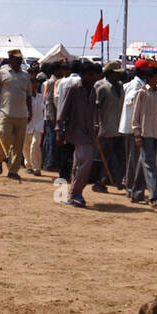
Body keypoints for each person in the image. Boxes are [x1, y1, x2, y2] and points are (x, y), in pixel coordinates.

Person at [59, 62, 104, 207]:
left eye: (94, 75)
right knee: (85, 162)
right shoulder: (73, 89)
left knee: (79, 164)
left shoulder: (93, 90)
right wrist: (59, 131)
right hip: (76, 131)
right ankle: (75, 193)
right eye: (90, 75)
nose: (92, 78)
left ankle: (73, 194)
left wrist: (97, 125)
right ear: (83, 75)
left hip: (89, 132)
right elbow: (63, 111)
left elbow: (95, 111)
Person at [129, 64, 157, 206]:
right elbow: (136, 115)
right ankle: (154, 196)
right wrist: (137, 133)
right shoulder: (142, 93)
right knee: (150, 164)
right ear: (150, 78)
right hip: (145, 134)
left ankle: (136, 193)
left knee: (144, 163)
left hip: (155, 134)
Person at [0, 50, 33, 180]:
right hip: (5, 113)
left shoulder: (25, 76)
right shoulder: (1, 73)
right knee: (5, 137)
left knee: (18, 144)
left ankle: (13, 170)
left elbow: (29, 96)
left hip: (22, 115)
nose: (19, 62)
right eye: (16, 59)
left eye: (20, 60)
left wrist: (30, 112)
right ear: (10, 59)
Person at [94, 61, 127, 191]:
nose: (118, 76)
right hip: (105, 128)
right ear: (109, 73)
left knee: (120, 157)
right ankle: (100, 182)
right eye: (115, 74)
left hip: (119, 128)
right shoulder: (101, 86)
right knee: (105, 157)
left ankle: (118, 180)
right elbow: (95, 107)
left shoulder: (120, 87)